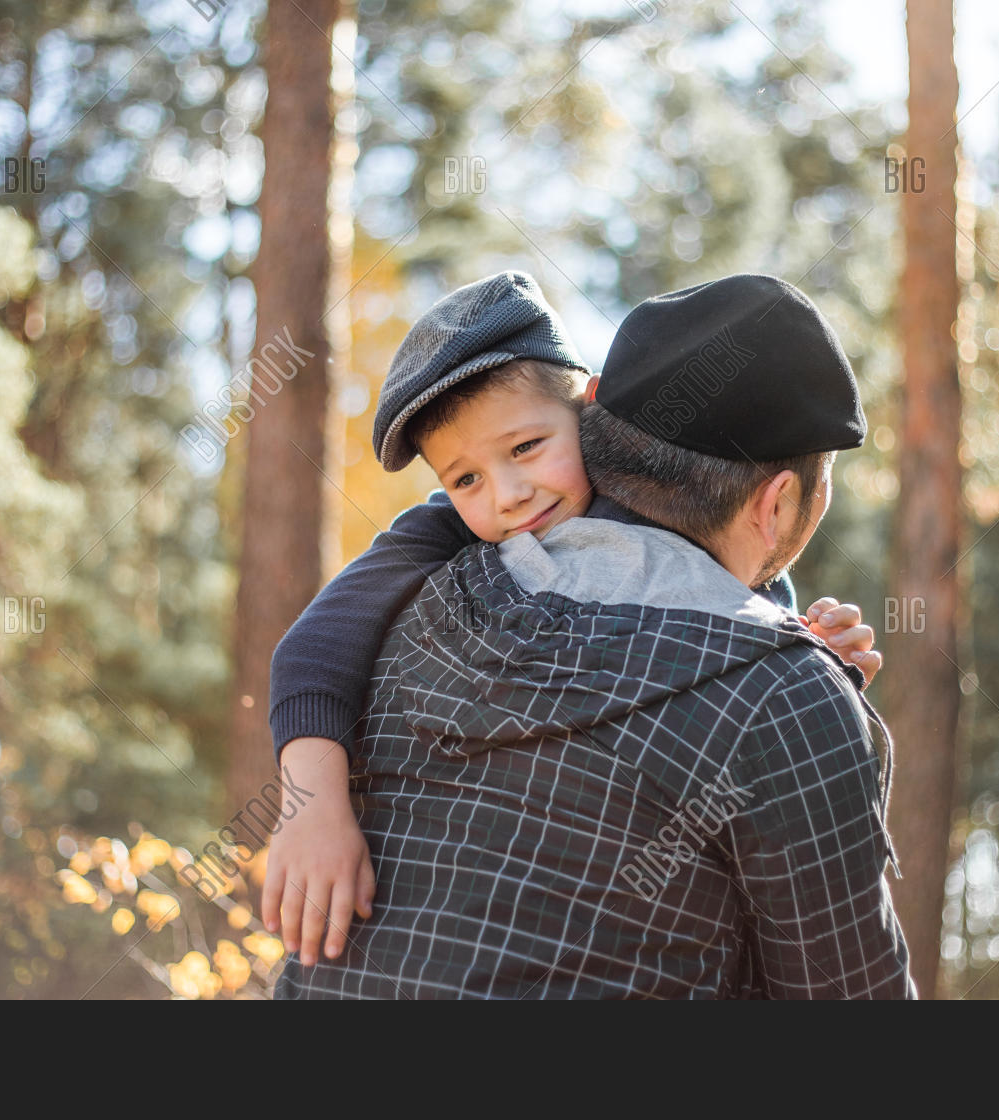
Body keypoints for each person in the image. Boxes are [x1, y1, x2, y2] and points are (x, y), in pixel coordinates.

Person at [269, 272, 914, 998]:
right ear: (779, 502)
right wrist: (311, 803)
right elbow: (313, 644)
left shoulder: (432, 603)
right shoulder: (439, 540)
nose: (508, 495)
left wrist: (805, 649)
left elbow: (742, 607)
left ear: (591, 405)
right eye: (466, 478)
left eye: (525, 448)